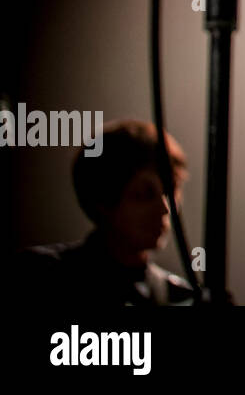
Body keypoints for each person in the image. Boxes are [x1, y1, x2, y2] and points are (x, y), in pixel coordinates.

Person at [12, 118, 194, 305]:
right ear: (103, 199)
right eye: (143, 194)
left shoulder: (178, 296)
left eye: (170, 192)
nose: (165, 208)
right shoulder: (39, 274)